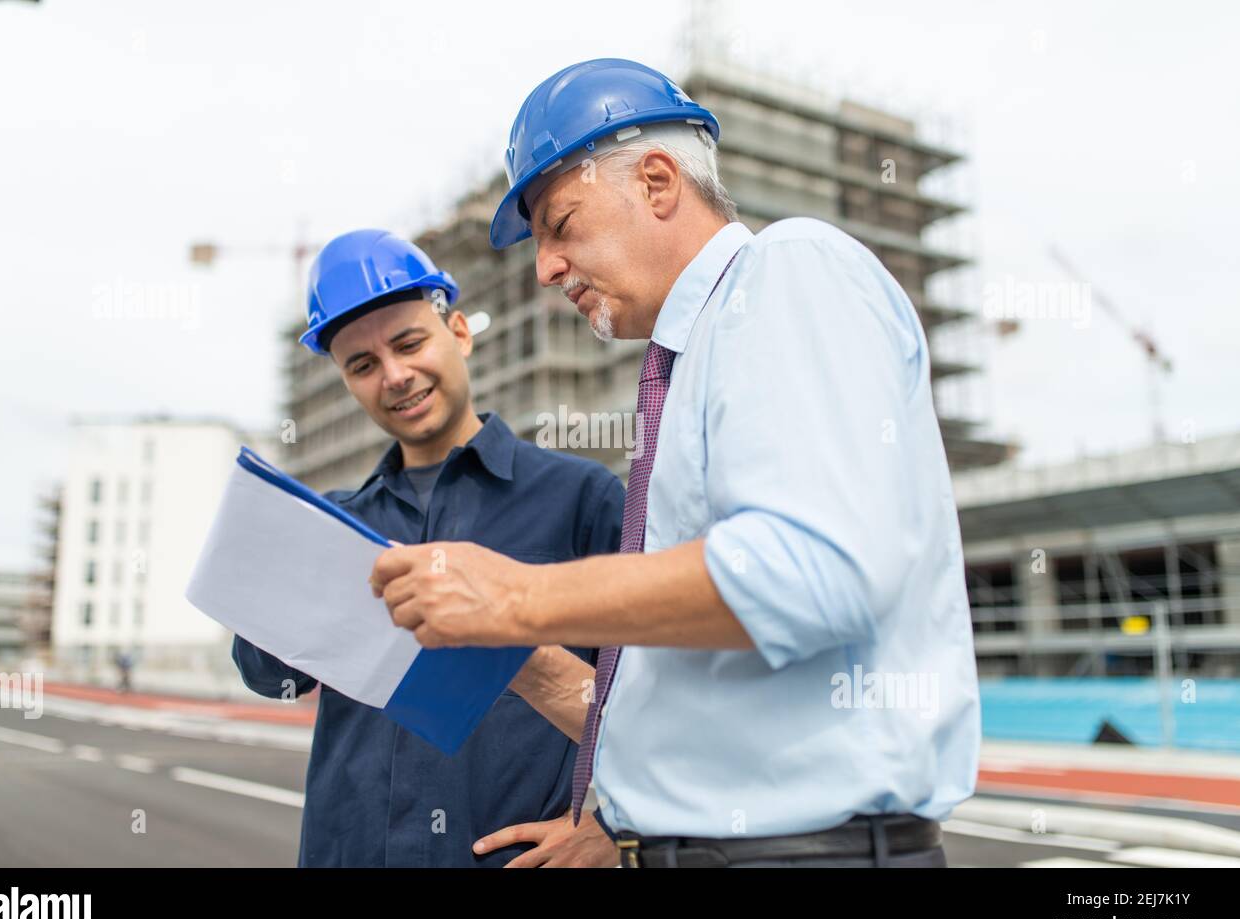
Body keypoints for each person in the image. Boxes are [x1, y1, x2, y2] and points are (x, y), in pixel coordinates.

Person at [371, 59, 981, 868]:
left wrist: (517, 596)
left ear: (657, 183)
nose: (546, 267)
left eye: (560, 224)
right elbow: (711, 663)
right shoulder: (697, 359)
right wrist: (620, 813)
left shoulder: (788, 271)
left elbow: (811, 570)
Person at [233, 229, 624, 867]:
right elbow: (268, 676)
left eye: (409, 342)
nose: (394, 376)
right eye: (362, 365)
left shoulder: (581, 500)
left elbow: (659, 695)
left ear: (461, 334)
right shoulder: (336, 524)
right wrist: (262, 577)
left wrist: (613, 825)